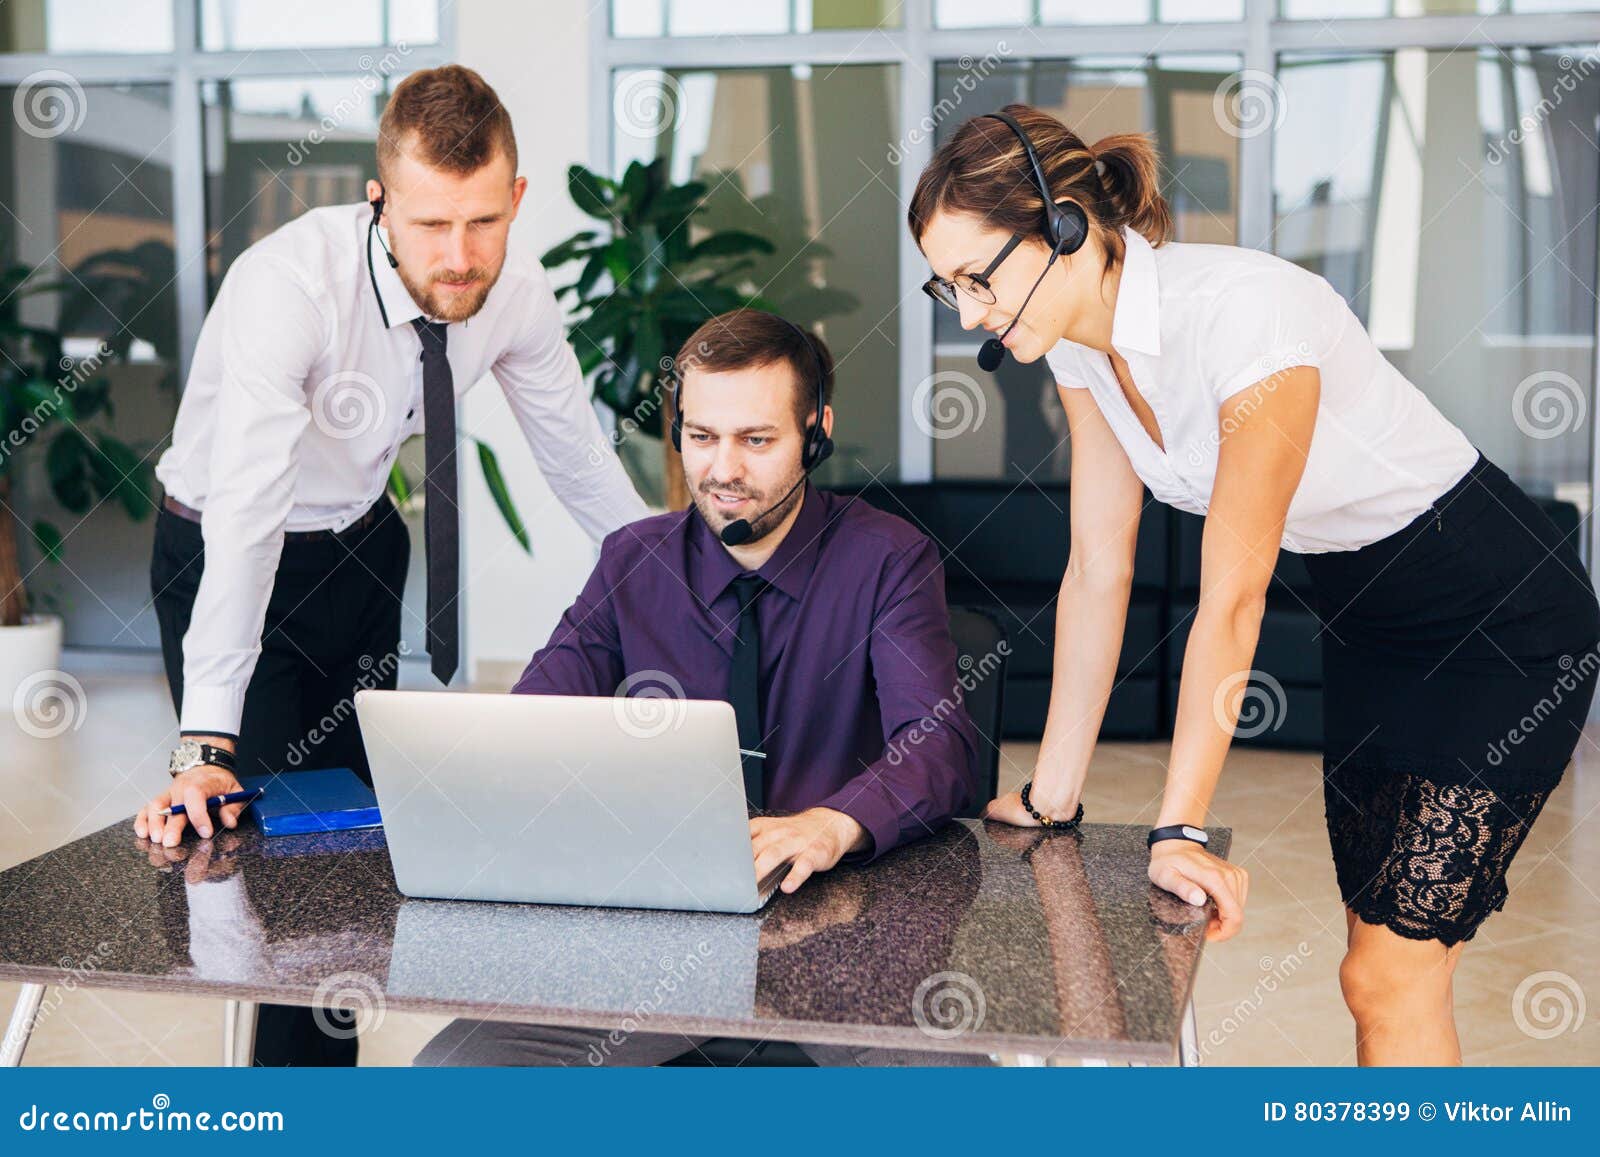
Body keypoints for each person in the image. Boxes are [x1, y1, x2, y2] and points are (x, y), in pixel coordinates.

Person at [909, 103, 1600, 1065]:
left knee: (1389, 972)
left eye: (979, 277)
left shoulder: (1248, 316)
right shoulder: (1073, 341)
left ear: (1065, 222)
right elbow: (1098, 567)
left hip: (1496, 616)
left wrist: (1180, 824)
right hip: (1368, 616)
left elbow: (1231, 598)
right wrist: (1051, 796)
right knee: (1380, 969)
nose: (973, 313)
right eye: (948, 290)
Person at [135, 65, 648, 1065]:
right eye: (430, 226)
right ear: (379, 203)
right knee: (277, 869)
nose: (460, 258)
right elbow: (247, 512)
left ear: (517, 198)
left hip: (363, 547)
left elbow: (579, 462)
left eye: (483, 221)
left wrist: (687, 584)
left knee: (366, 848)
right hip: (228, 550)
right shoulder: (286, 288)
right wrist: (205, 736)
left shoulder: (517, 291)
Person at [415, 308, 989, 1067]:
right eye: (701, 437)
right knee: (455, 1076)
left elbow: (938, 746)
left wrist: (830, 824)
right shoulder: (633, 560)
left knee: (950, 1097)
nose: (722, 470)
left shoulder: (888, 558)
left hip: (844, 934)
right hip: (656, 949)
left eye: (756, 440)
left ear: (816, 431)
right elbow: (535, 725)